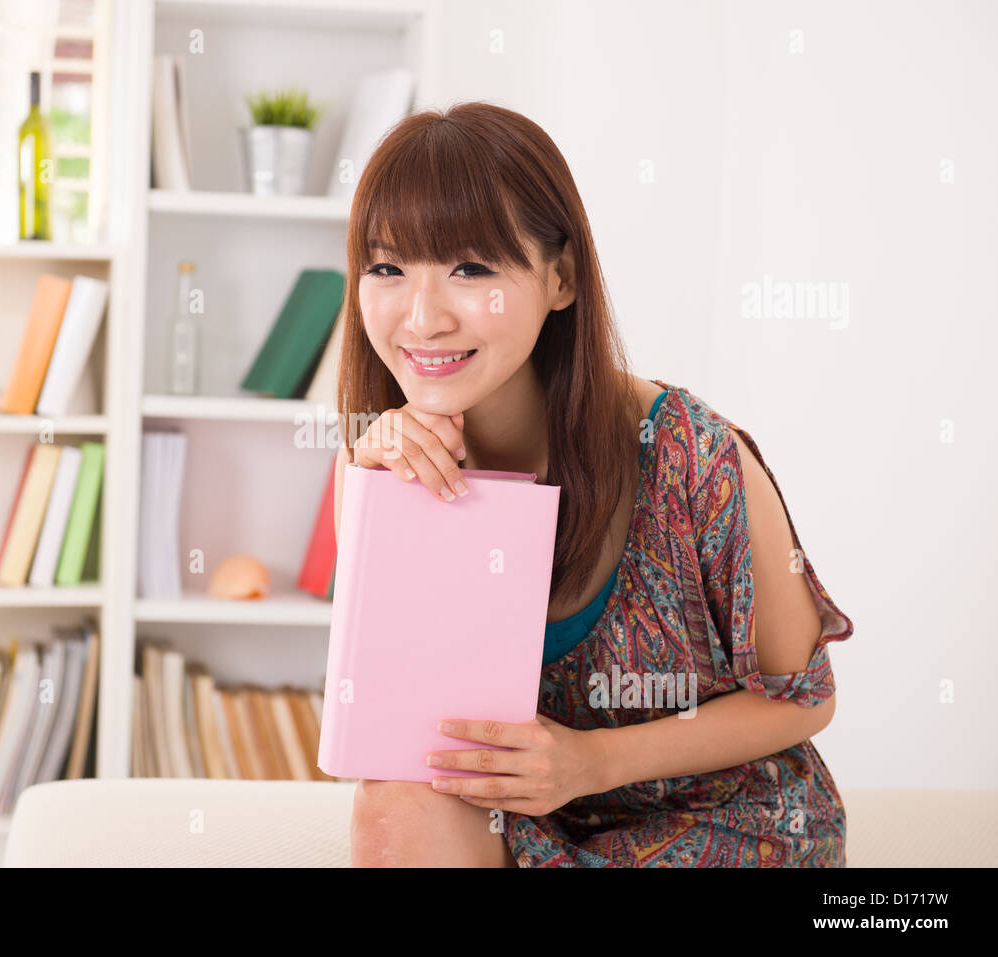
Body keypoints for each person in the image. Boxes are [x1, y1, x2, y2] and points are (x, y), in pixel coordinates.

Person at [331, 102, 855, 867]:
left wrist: (588, 761)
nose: (422, 316)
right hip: (536, 824)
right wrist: (378, 505)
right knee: (395, 799)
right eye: (387, 267)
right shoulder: (384, 463)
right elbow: (394, 730)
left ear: (561, 278)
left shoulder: (691, 453)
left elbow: (806, 696)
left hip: (723, 824)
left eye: (471, 269)